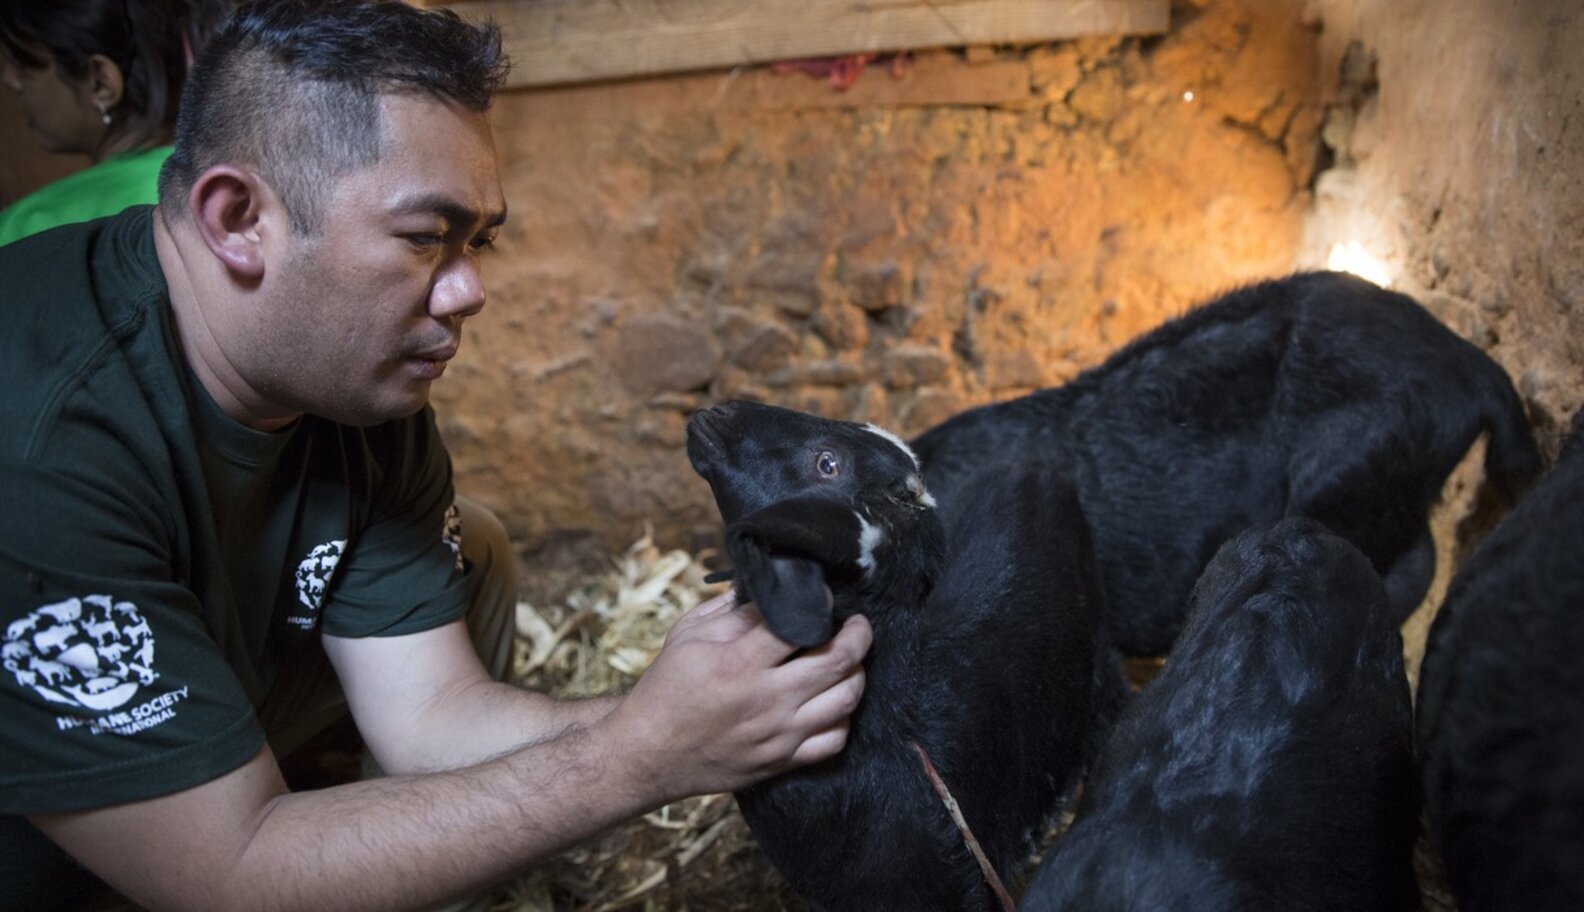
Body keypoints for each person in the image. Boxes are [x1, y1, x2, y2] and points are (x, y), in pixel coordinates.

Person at [0, 2, 872, 911]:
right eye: (425, 237)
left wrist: (687, 712)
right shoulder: (40, 445)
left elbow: (429, 718)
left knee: (476, 545)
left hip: (201, 772)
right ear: (239, 217)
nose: (469, 291)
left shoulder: (350, 386)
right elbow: (233, 870)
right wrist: (639, 757)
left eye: (477, 241)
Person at [0, 0, 231, 246]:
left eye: (23, 66)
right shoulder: (236, 184)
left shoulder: (26, 227)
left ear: (101, 82)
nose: (9, 80)